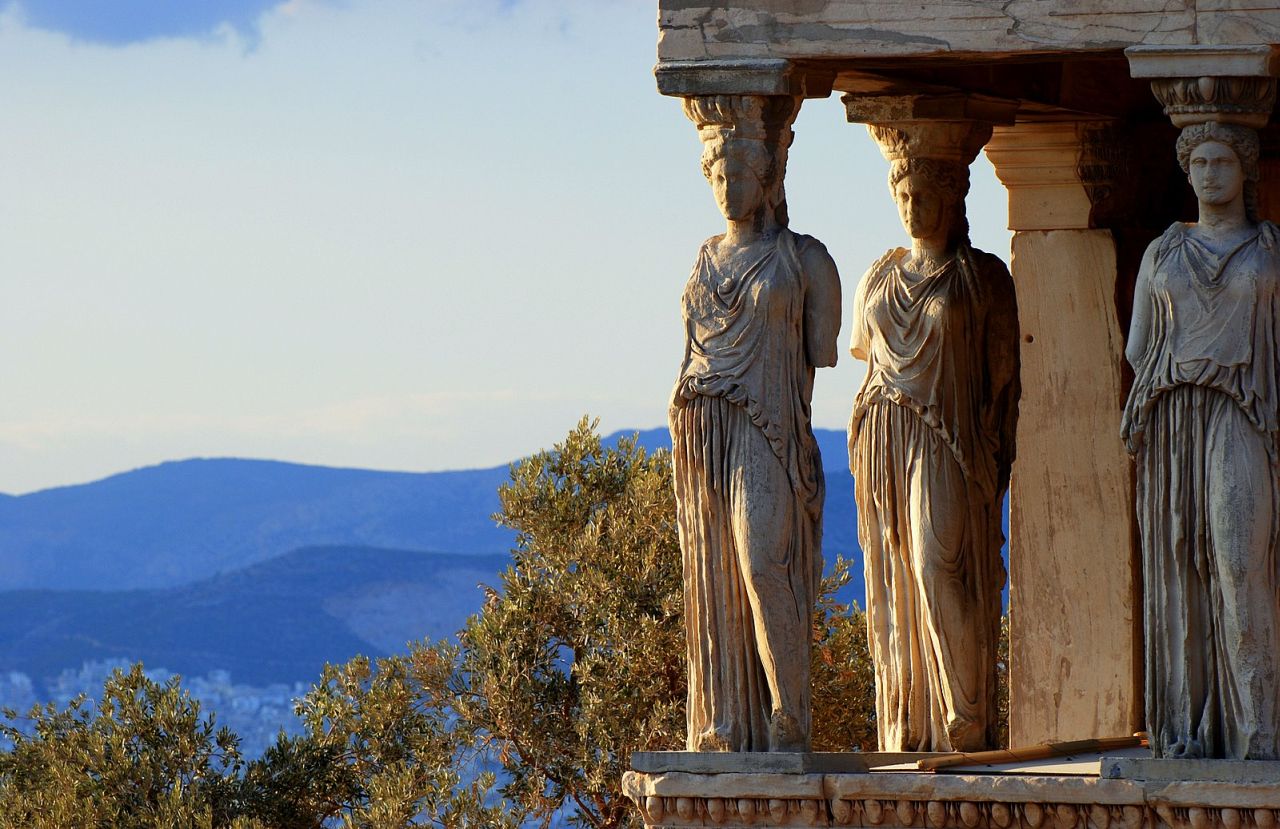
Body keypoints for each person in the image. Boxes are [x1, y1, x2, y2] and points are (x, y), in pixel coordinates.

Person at [671, 94, 841, 752]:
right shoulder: (703, 260)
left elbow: (820, 355)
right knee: (713, 572)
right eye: (716, 174)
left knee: (761, 558)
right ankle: (725, 724)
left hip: (768, 424)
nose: (726, 186)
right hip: (702, 423)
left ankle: (790, 714)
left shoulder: (804, 261)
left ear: (765, 177)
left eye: (738, 173)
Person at [849, 139, 1019, 752]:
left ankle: (966, 709)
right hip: (885, 437)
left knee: (936, 562)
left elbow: (1003, 378)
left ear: (953, 198)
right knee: (894, 569)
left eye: (927, 195)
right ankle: (911, 723)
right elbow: (864, 356)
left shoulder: (982, 278)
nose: (914, 206)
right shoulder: (879, 275)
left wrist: (993, 453)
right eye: (904, 195)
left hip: (949, 440)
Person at [1122, 120, 1280, 760]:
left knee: (1240, 564)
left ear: (1246, 169)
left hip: (1244, 414)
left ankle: (1258, 733)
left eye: (1222, 161)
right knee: (1181, 569)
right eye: (1199, 163)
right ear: (1186, 172)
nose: (1210, 173)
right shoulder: (1161, 254)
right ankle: (1189, 732)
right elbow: (1137, 348)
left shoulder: (1270, 251)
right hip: (1172, 419)